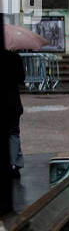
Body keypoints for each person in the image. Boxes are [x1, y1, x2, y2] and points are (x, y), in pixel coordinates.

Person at [2, 49, 25, 180]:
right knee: (14, 133)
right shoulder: (15, 57)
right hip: (12, 101)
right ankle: (14, 164)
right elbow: (21, 78)